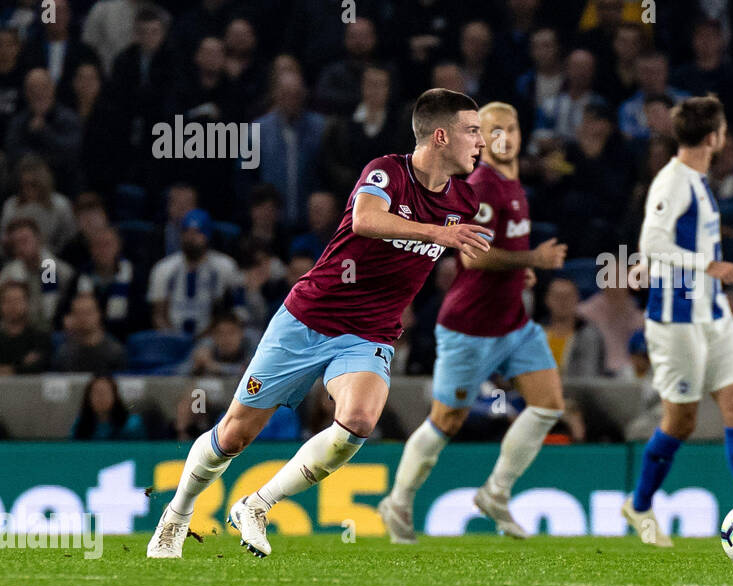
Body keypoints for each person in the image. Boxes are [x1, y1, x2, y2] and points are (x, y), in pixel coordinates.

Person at [147, 89, 492, 559]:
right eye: (472, 131)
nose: (481, 141)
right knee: (234, 435)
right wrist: (437, 233)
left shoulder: (465, 200)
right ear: (440, 134)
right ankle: (177, 515)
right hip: (308, 318)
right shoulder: (385, 172)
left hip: (369, 333)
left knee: (357, 422)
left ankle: (257, 504)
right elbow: (368, 221)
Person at [378, 101, 567, 541]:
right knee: (447, 422)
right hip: (470, 328)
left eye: (510, 127)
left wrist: (523, 269)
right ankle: (398, 501)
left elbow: (502, 251)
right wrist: (532, 257)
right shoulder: (483, 184)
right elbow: (470, 254)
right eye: (491, 130)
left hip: (514, 325)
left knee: (548, 405)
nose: (502, 137)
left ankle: (495, 493)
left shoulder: (514, 182)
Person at [626, 95, 733, 546]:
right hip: (676, 318)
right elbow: (651, 242)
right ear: (713, 137)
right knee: (681, 422)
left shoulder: (700, 182)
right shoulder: (674, 181)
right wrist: (708, 264)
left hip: (713, 313)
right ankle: (640, 505)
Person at [70, 375, 146, 440]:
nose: (101, 398)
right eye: (97, 393)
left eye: (105, 393)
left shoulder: (132, 425)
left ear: (115, 396)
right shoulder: (80, 426)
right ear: (88, 397)